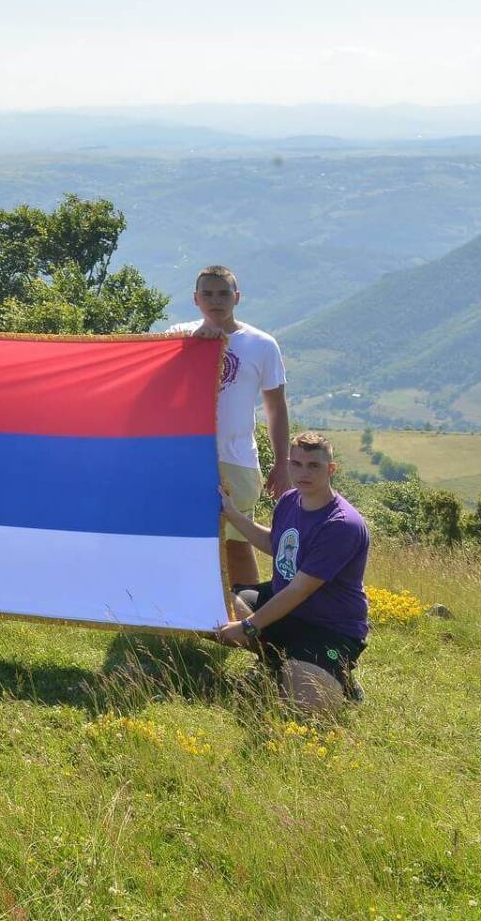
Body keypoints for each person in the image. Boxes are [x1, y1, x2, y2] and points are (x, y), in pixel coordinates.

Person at [213, 432, 370, 711]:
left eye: (313, 466)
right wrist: (233, 514)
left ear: (331, 469)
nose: (303, 473)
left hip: (328, 626)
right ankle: (275, 657)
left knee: (303, 708)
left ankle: (337, 673)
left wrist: (248, 626)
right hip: (285, 608)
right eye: (296, 464)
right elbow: (275, 544)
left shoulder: (341, 524)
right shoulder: (288, 501)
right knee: (216, 607)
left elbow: (300, 589)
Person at [169, 265, 289, 589]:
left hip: (237, 459)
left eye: (223, 293)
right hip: (188, 458)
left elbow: (276, 407)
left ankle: (248, 611)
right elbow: (156, 383)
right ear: (195, 299)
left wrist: (282, 462)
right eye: (207, 294)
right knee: (188, 541)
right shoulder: (178, 336)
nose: (216, 301)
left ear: (237, 297)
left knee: (237, 543)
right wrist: (191, 343)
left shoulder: (262, 344)